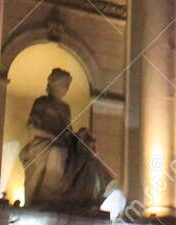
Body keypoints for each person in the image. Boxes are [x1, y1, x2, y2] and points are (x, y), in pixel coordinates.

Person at [19, 67, 109, 207]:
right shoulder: (42, 103)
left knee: (89, 158)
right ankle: (49, 197)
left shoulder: (66, 108)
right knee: (57, 152)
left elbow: (68, 132)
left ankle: (87, 198)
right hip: (43, 144)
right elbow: (31, 128)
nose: (66, 88)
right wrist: (52, 136)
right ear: (54, 84)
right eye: (64, 84)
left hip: (62, 144)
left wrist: (82, 136)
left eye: (68, 85)